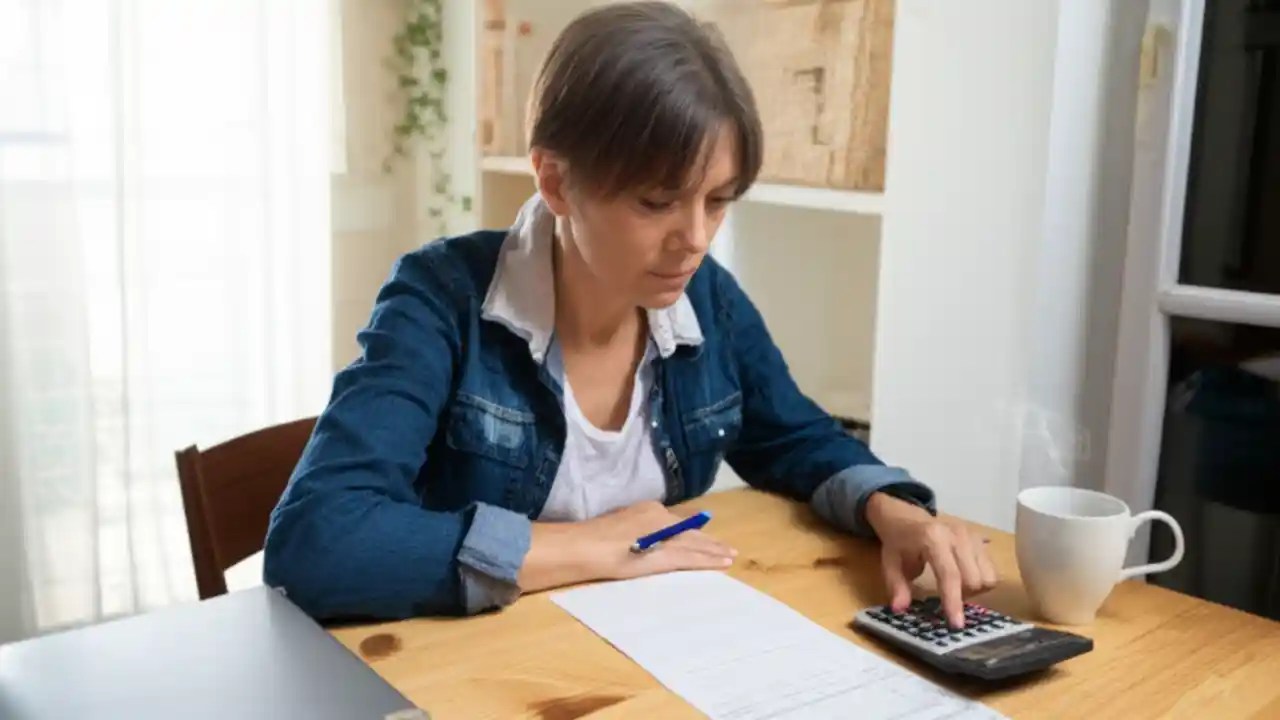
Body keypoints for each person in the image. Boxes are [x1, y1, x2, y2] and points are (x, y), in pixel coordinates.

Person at [263, 0, 996, 629]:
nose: (697, 239)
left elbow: (795, 437)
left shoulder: (705, 299)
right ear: (554, 179)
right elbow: (316, 543)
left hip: (639, 657)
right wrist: (590, 545)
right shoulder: (440, 301)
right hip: (480, 666)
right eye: (658, 202)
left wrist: (896, 511)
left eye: (717, 199)